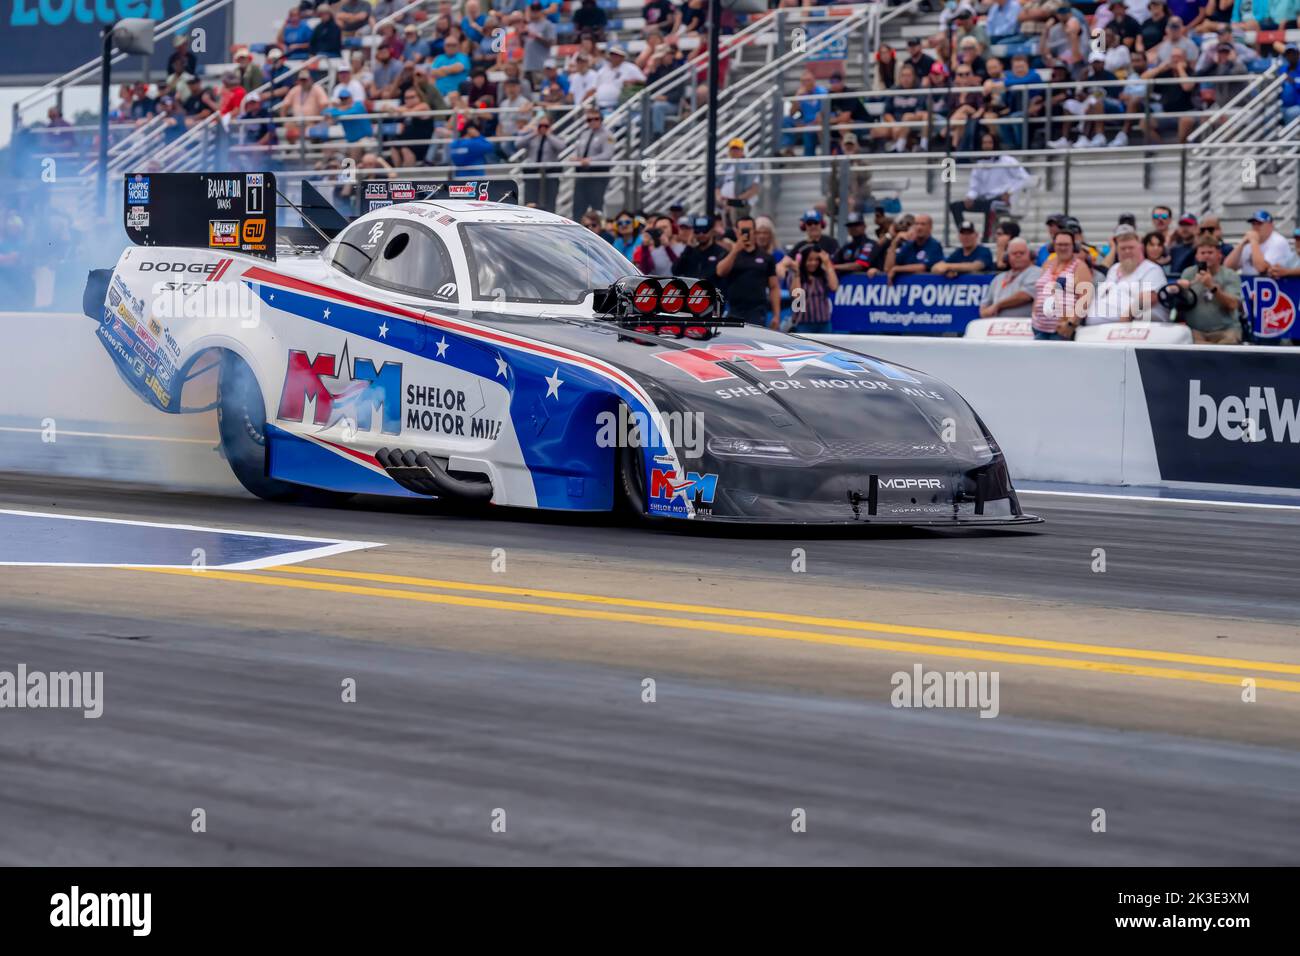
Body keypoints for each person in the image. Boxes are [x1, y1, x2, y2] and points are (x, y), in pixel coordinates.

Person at [1087, 224, 1167, 324]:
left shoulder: (1152, 269)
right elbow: (1103, 294)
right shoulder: (1114, 269)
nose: (1127, 251)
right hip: (1102, 329)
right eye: (1123, 248)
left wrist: (1128, 315)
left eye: (1131, 247)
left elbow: (1150, 298)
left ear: (1140, 248)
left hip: (1136, 325)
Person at [1174, 234, 1243, 344]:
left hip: (1226, 331)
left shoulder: (1230, 275)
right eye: (1202, 253)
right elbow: (1178, 306)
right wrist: (1178, 290)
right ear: (1197, 256)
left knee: (1229, 342)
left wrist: (1212, 286)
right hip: (1196, 332)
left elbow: (1233, 305)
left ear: (1219, 255)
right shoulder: (1188, 273)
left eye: (1210, 252)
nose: (1206, 256)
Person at [716, 216, 781, 326]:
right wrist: (735, 250)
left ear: (754, 231)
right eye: (743, 230)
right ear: (737, 232)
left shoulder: (766, 257)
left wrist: (776, 316)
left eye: (749, 230)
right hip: (734, 310)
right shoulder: (729, 255)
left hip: (757, 311)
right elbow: (720, 272)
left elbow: (774, 287)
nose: (746, 234)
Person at [1031, 229, 1093, 339]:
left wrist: (1071, 324)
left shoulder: (1080, 267)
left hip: (1061, 330)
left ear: (1074, 247)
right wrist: (1034, 315)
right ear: (1053, 246)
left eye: (1066, 245)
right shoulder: (1047, 264)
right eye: (1059, 244)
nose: (1063, 248)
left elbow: (1085, 299)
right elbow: (1039, 291)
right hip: (1039, 327)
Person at [979, 238, 1041, 317]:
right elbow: (984, 306)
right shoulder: (998, 278)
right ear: (1007, 257)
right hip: (996, 325)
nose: (1018, 256)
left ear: (1030, 255)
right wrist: (986, 312)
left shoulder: (1037, 272)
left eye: (1022, 253)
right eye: (1014, 253)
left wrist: (998, 305)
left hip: (1023, 325)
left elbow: (1024, 296)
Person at [571, 110, 613, 219]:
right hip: (582, 173)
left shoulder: (607, 135)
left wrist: (590, 160)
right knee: (579, 205)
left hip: (597, 174)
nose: (593, 122)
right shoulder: (584, 133)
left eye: (596, 119)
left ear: (601, 120)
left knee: (596, 204)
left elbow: (607, 154)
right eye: (589, 119)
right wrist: (577, 158)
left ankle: (597, 229)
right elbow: (579, 150)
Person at [788, 246, 840, 333]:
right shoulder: (794, 276)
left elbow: (834, 287)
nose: (813, 263)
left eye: (816, 260)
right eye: (810, 260)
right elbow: (797, 296)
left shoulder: (823, 275)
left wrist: (827, 265)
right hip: (803, 324)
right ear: (802, 260)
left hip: (824, 323)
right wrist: (797, 273)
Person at [517, 117, 564, 212]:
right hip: (533, 173)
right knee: (530, 202)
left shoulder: (554, 137)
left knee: (549, 202)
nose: (543, 128)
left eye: (545, 126)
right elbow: (518, 144)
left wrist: (548, 135)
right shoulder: (533, 138)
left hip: (549, 174)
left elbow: (561, 146)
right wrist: (533, 134)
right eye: (540, 126)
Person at [1226, 210, 1291, 277]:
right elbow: (1227, 267)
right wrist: (1242, 244)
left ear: (1270, 225)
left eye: (1259, 223)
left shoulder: (1278, 241)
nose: (1256, 227)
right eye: (1253, 224)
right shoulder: (1249, 242)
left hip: (1274, 286)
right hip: (1250, 285)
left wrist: (1254, 241)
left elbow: (1261, 268)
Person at [716, 138, 760, 229]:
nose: (734, 152)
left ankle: (734, 231)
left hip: (741, 201)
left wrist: (733, 201)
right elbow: (717, 186)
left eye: (737, 149)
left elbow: (754, 189)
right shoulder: (725, 166)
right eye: (732, 149)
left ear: (742, 151)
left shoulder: (749, 165)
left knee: (734, 211)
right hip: (725, 202)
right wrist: (720, 198)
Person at [884, 213, 944, 279]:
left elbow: (923, 267)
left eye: (923, 224)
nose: (919, 227)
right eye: (916, 224)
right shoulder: (908, 246)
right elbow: (888, 268)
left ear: (930, 227)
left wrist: (897, 269)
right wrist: (894, 243)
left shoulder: (934, 245)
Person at [673, 215, 728, 283]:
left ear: (712, 231)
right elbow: (676, 271)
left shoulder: (721, 252)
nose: (701, 234)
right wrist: (688, 247)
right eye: (697, 231)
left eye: (705, 230)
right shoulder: (689, 252)